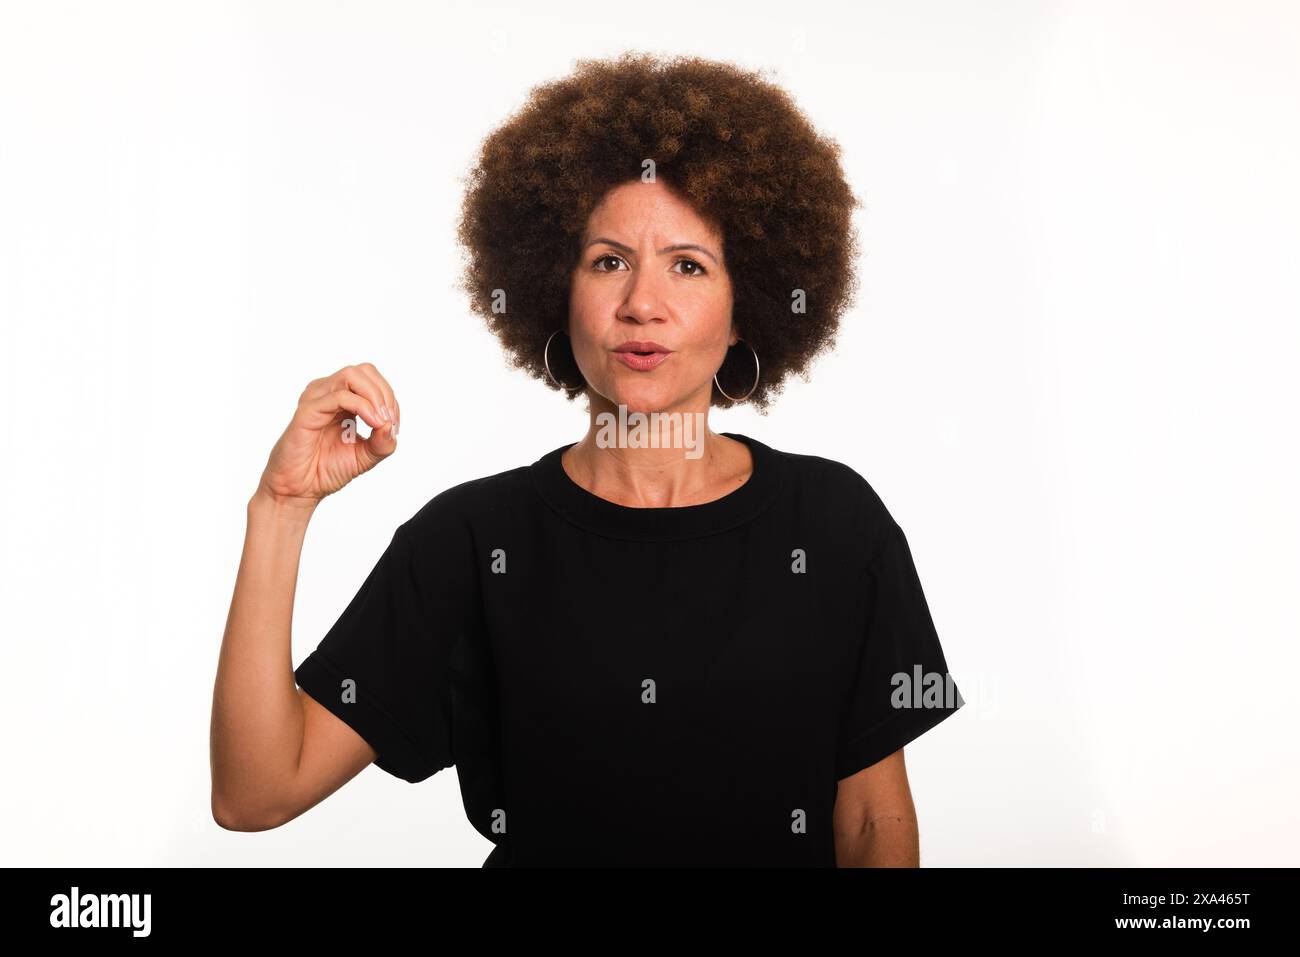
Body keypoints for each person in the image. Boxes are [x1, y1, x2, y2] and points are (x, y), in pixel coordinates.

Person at [210, 51, 964, 867]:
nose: (643, 303)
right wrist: (281, 507)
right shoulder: (470, 539)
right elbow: (255, 791)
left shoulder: (835, 524)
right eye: (609, 261)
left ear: (746, 307)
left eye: (688, 264)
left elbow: (870, 822)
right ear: (553, 292)